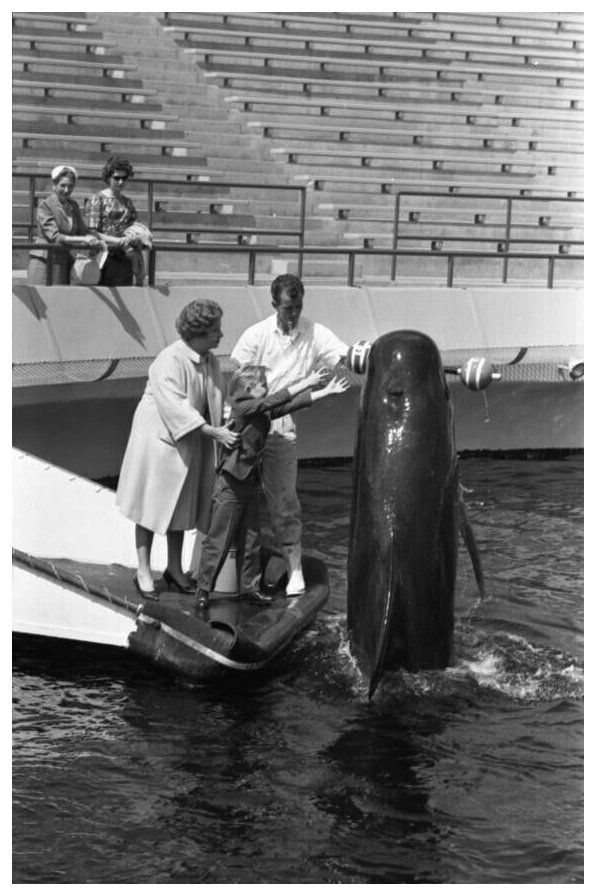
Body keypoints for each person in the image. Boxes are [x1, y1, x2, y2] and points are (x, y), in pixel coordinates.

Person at [230, 273, 353, 595]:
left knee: (285, 501)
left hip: (283, 429)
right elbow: (253, 398)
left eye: (297, 307)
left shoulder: (315, 332)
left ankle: (294, 569)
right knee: (237, 499)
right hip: (249, 427)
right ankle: (238, 572)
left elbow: (344, 357)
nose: (293, 314)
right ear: (274, 305)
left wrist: (365, 354)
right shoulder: (255, 337)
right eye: (287, 308)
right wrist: (302, 390)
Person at [194, 363, 349, 610]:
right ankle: (203, 588)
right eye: (263, 384)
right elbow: (275, 400)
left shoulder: (260, 409)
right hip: (231, 483)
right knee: (219, 538)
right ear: (248, 388)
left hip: (249, 480)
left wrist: (324, 391)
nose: (267, 388)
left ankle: (249, 588)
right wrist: (307, 381)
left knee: (252, 538)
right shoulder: (242, 406)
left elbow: (286, 405)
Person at [116, 300, 239, 598]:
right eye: (214, 331)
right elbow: (175, 406)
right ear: (196, 332)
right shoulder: (169, 360)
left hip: (189, 439)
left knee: (183, 505)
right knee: (149, 507)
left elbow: (217, 398)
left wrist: (232, 420)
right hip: (158, 442)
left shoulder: (210, 360)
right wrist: (213, 432)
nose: (220, 335)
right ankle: (143, 571)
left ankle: (174, 568)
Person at [27, 165, 103, 285]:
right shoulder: (45, 205)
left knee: (59, 300)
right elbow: (55, 236)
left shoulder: (74, 205)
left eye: (70, 186)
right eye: (63, 185)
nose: (67, 190)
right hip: (43, 261)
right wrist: (84, 239)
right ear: (54, 185)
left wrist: (102, 238)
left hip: (63, 261)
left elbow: (83, 231)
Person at [85, 156, 147, 286]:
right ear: (108, 177)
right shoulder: (96, 199)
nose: (120, 182)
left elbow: (136, 227)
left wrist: (134, 238)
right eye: (116, 178)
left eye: (124, 178)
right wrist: (118, 241)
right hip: (102, 258)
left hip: (125, 258)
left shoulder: (128, 202)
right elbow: (92, 232)